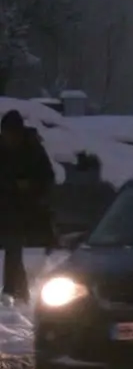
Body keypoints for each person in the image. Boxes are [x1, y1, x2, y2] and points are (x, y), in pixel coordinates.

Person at [0, 108, 56, 303]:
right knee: (12, 248)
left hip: (27, 207)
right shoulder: (4, 148)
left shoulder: (32, 148)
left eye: (11, 134)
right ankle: (16, 291)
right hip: (7, 205)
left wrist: (30, 186)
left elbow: (47, 176)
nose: (8, 139)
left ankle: (14, 291)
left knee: (15, 247)